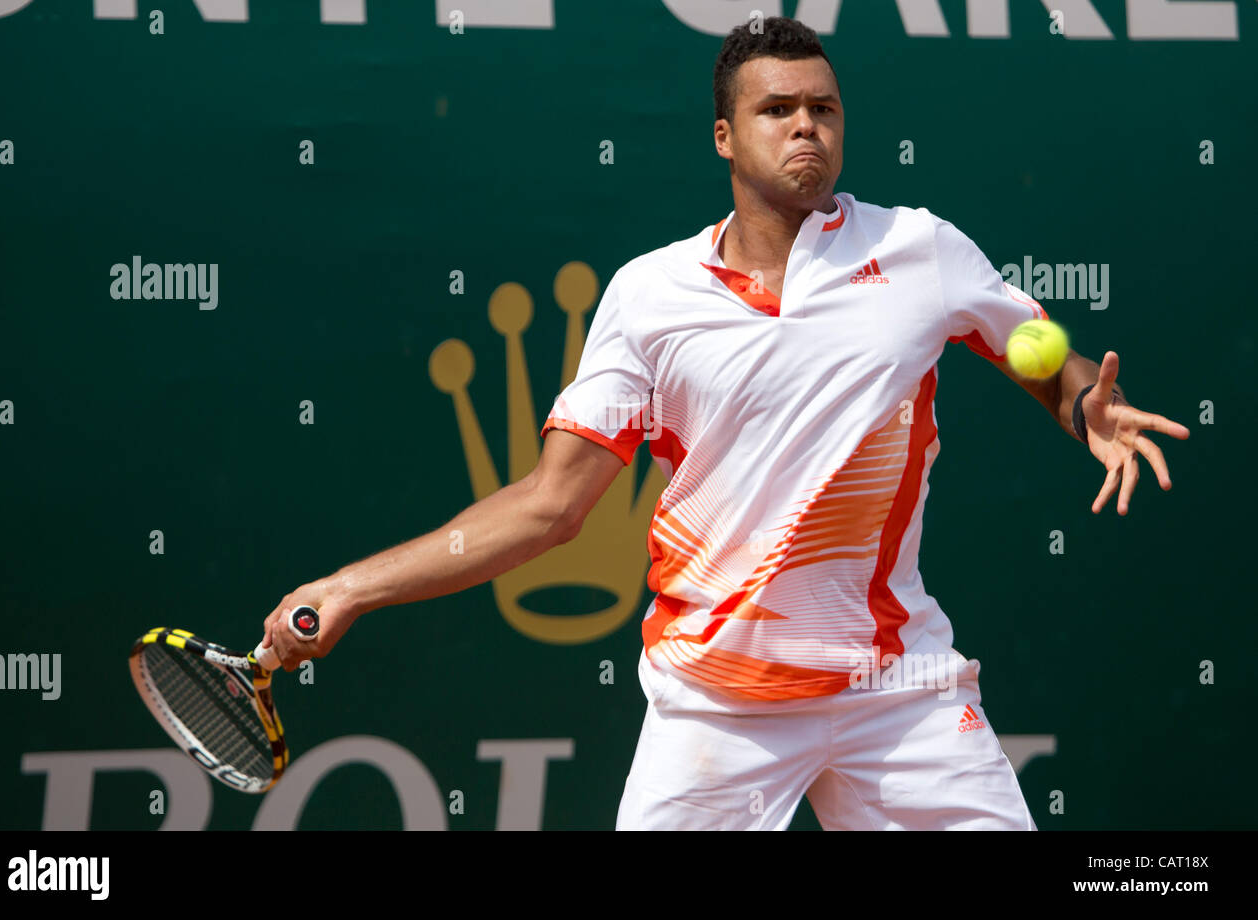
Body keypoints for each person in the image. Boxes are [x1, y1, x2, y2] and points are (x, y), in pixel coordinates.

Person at [260, 17, 1189, 830]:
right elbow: (551, 506)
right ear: (724, 136)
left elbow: (1030, 343)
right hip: (716, 700)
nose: (806, 127)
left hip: (894, 687)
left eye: (823, 109)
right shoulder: (649, 296)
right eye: (777, 109)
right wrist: (351, 586)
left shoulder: (920, 249)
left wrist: (1081, 405)